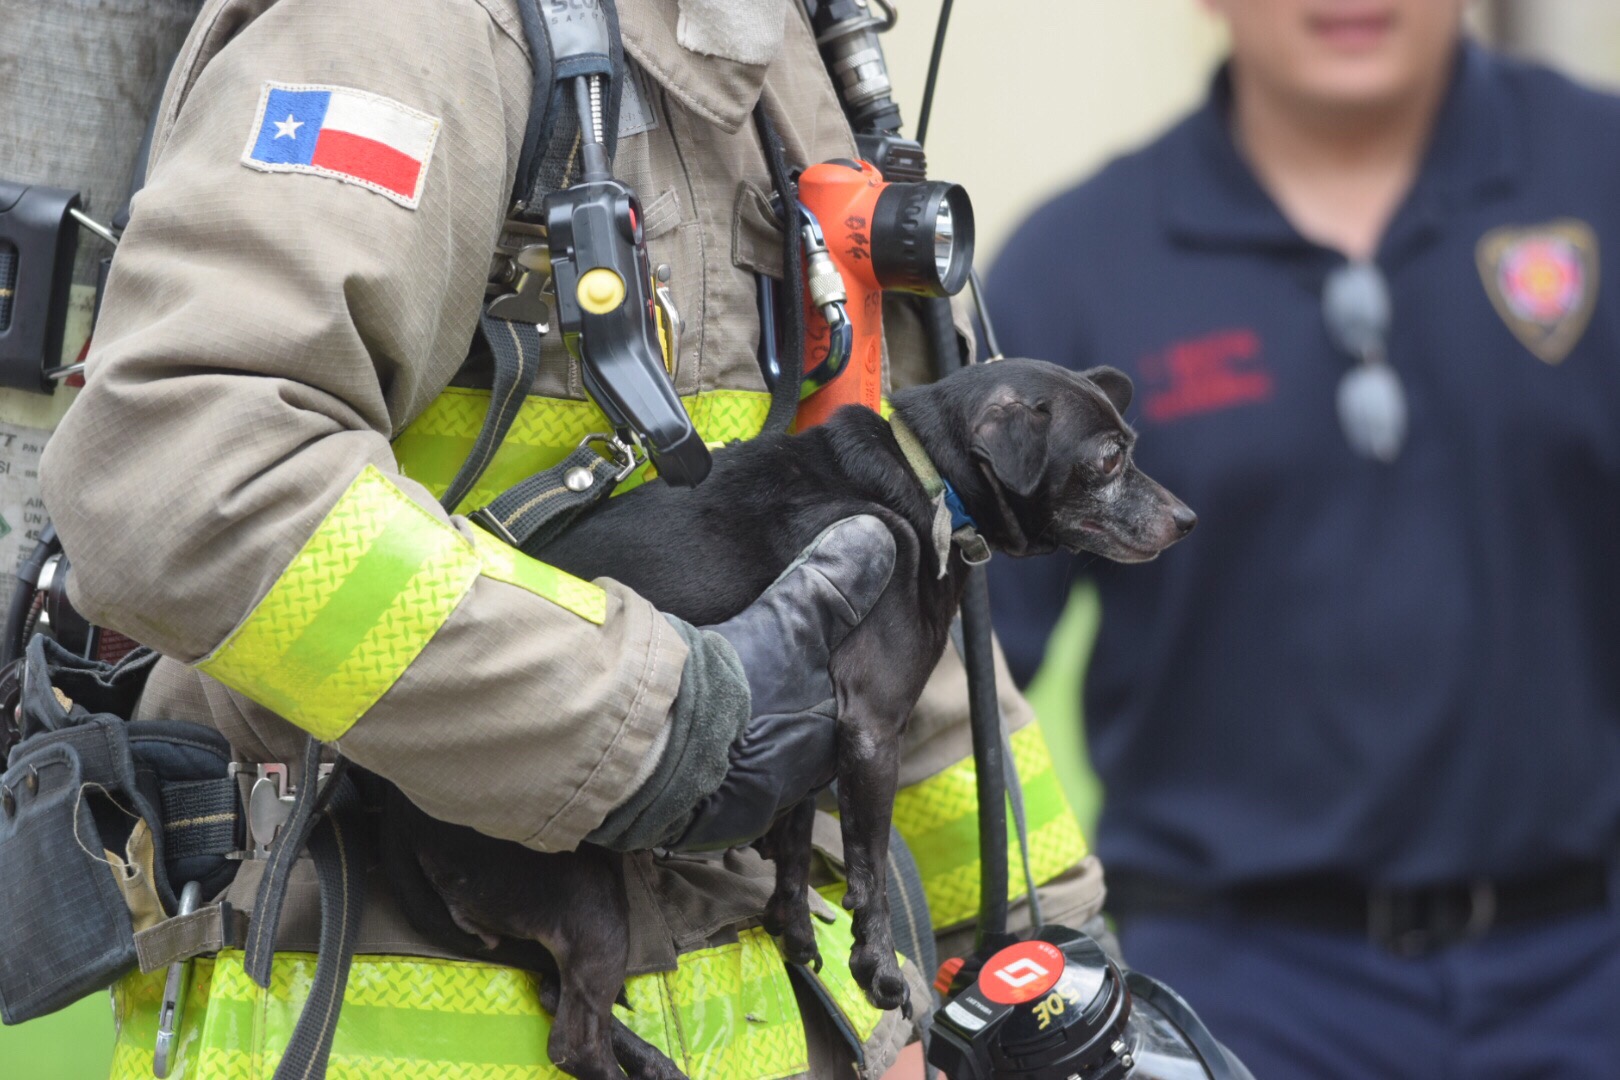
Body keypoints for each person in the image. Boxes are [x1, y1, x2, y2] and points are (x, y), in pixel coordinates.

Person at [34, 0, 1102, 1075]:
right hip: (398, 1010)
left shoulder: (779, 64)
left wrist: (1040, 946)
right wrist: (649, 723)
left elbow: (877, 596)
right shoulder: (408, 33)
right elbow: (182, 474)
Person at [986, 1, 1620, 1077]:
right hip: (1234, 992)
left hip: (1589, 971)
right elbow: (956, 674)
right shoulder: (1074, 268)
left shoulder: (1598, 174)